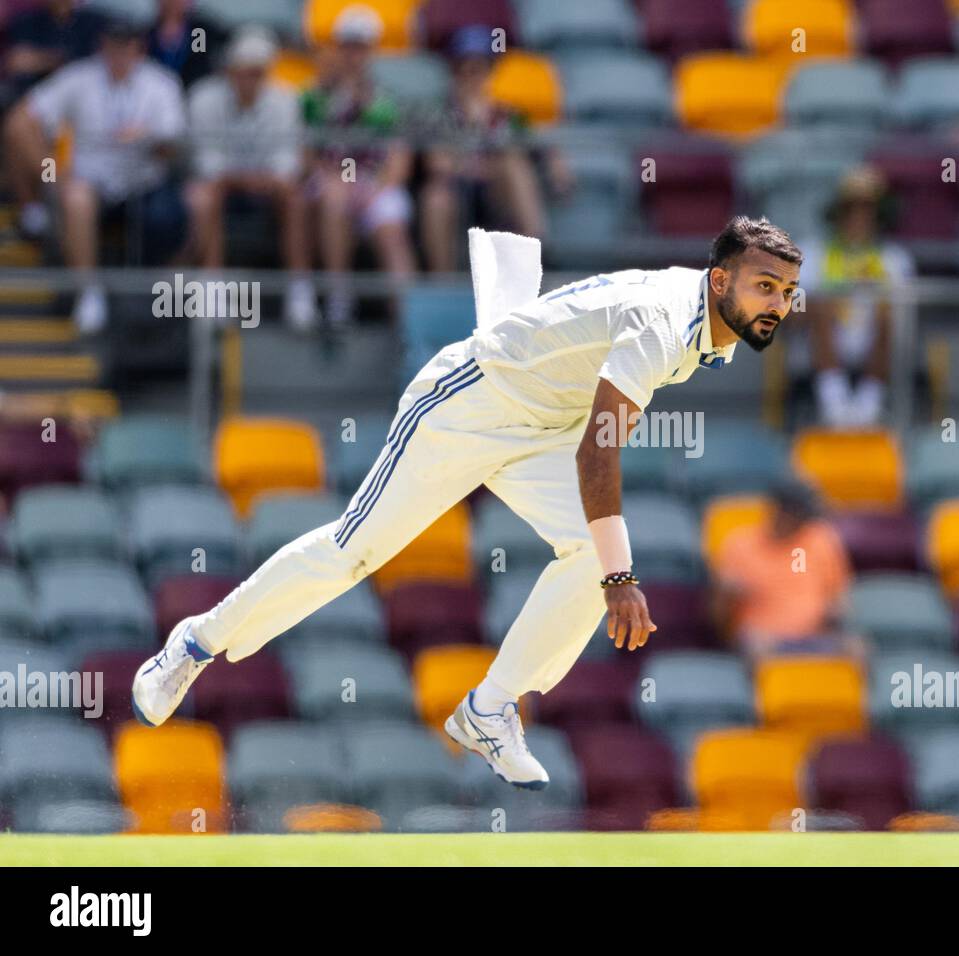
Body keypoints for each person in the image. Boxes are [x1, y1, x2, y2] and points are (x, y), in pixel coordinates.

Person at [132, 216, 803, 790]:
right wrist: (624, 579)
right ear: (720, 280)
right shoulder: (664, 323)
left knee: (589, 558)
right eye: (764, 286)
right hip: (466, 405)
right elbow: (600, 453)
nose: (777, 302)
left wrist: (613, 571)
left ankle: (488, 709)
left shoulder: (711, 328)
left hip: (543, 427)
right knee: (350, 554)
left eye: (786, 292)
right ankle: (194, 643)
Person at [4, 15, 187, 333]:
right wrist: (51, 172)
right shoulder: (80, 77)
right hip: (89, 180)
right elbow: (21, 122)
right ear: (102, 46)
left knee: (182, 207)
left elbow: (174, 143)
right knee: (75, 196)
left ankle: (169, 295)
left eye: (126, 46)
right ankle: (88, 292)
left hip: (144, 181)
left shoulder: (161, 82)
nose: (119, 54)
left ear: (139, 49)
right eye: (113, 46)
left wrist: (145, 135)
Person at [186, 26, 316, 327]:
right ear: (229, 70)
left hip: (262, 187)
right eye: (244, 71)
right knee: (202, 196)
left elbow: (288, 166)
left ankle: (300, 291)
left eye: (257, 72)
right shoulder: (203, 98)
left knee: (295, 197)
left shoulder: (285, 100)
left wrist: (250, 178)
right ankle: (212, 287)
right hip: (228, 187)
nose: (250, 79)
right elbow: (207, 166)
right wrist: (253, 178)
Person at [301, 4, 416, 327]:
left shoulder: (388, 100)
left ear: (371, 50)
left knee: (392, 231)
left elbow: (399, 161)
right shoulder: (317, 98)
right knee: (334, 198)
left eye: (360, 47)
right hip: (329, 180)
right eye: (348, 46)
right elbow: (307, 154)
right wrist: (329, 177)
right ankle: (339, 298)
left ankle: (409, 319)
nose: (354, 55)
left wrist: (373, 189)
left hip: (375, 182)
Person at [420, 24, 561, 272]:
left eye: (479, 69)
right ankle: (441, 281)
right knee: (436, 197)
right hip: (456, 189)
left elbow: (532, 149)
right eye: (466, 68)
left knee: (514, 167)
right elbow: (438, 164)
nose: (472, 76)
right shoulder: (438, 112)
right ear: (455, 71)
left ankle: (537, 259)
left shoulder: (507, 114)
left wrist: (556, 160)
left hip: (497, 193)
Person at [798, 165, 914, 427]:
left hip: (876, 336)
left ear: (878, 217)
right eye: (851, 211)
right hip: (823, 336)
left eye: (866, 212)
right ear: (838, 215)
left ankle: (868, 405)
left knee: (889, 311)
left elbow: (905, 314)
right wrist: (827, 301)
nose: (858, 220)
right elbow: (791, 307)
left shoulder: (895, 258)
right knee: (821, 301)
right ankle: (834, 402)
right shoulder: (813, 253)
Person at [712, 481, 853, 659]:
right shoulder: (740, 545)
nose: (803, 523)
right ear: (779, 512)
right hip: (765, 637)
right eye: (798, 516)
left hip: (816, 636)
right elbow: (719, 614)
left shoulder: (821, 540)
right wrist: (727, 596)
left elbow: (839, 594)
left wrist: (836, 611)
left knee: (855, 648)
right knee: (758, 647)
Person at [1, 0, 106, 237]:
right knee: (17, 126)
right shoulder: (27, 22)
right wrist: (54, 59)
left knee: (56, 130)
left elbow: (89, 65)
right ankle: (41, 198)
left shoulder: (93, 23)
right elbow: (17, 63)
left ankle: (46, 196)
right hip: (37, 102)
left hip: (80, 107)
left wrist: (42, 59)